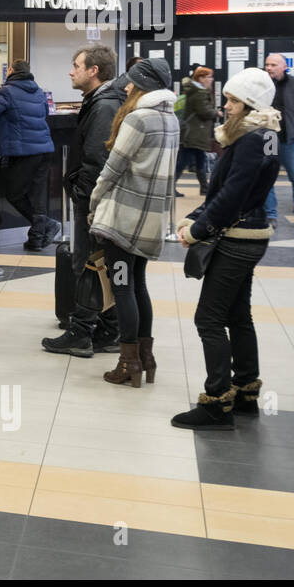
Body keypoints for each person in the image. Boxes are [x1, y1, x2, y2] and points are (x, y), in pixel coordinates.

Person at [172, 68, 281, 430]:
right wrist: (195, 216)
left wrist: (199, 229)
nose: (226, 106)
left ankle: (217, 403)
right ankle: (246, 391)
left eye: (234, 101)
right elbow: (231, 192)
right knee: (238, 315)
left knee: (209, 318)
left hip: (237, 238)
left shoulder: (251, 139)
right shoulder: (266, 134)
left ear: (251, 105)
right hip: (251, 235)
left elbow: (233, 195)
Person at [88, 57, 180, 389]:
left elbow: (113, 168)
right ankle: (145, 357)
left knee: (121, 287)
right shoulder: (172, 119)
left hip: (123, 219)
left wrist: (94, 202)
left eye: (132, 82)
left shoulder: (138, 118)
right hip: (150, 218)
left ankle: (128, 363)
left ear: (143, 86)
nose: (126, 87)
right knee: (138, 285)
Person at [43, 46, 126, 357]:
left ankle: (82, 332)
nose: (71, 71)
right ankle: (108, 329)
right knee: (97, 263)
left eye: (76, 65)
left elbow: (97, 158)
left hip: (93, 200)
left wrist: (83, 195)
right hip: (96, 197)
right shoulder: (102, 101)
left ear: (94, 71)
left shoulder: (103, 106)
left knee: (88, 263)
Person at [0, 60, 59, 250]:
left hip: (23, 151)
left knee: (13, 193)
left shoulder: (6, 91)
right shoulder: (39, 92)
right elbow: (45, 114)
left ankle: (48, 225)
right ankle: (36, 238)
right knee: (37, 195)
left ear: (10, 71)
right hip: (45, 149)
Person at [262, 53, 294, 225]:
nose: (269, 68)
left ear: (284, 67)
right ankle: (270, 214)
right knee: (267, 178)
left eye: (273, 65)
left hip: (290, 139)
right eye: (267, 64)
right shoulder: (262, 85)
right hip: (269, 138)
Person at [175, 66, 216, 196]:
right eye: (209, 77)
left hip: (194, 132)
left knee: (199, 159)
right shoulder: (199, 93)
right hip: (194, 133)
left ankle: (204, 187)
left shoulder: (196, 90)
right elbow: (204, 112)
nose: (211, 79)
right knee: (184, 161)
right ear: (201, 78)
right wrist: (216, 113)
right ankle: (170, 186)